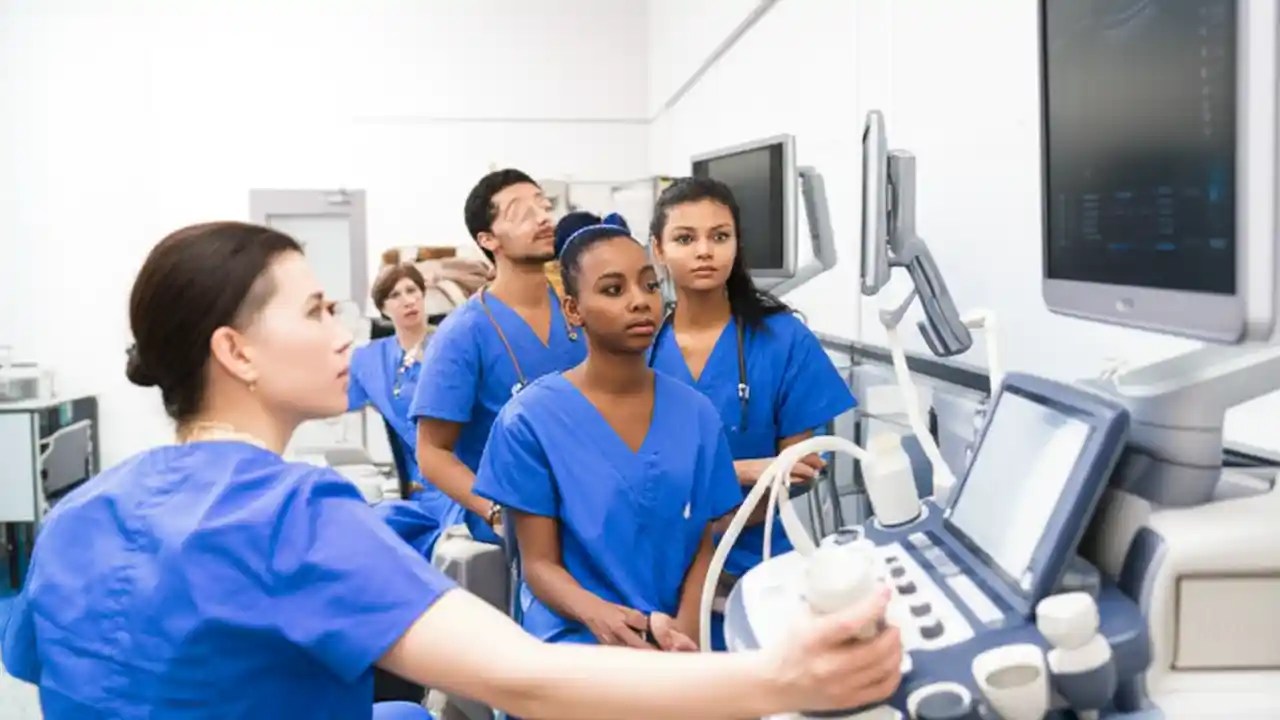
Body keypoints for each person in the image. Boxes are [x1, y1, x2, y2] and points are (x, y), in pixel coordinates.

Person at [2, 220, 903, 719]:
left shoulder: (82, 514)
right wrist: (783, 680)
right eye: (317, 310)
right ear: (235, 351)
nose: (343, 333)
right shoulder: (295, 516)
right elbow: (526, 679)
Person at [474, 212, 741, 651]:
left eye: (649, 286)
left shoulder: (697, 414)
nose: (639, 301)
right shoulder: (530, 421)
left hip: (674, 637)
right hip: (576, 638)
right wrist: (602, 619)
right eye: (614, 290)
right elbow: (540, 566)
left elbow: (701, 544)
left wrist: (686, 634)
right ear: (573, 310)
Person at [647, 177, 858, 649]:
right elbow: (626, 476)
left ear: (737, 244)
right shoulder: (639, 345)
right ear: (658, 250)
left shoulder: (783, 339)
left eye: (720, 236)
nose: (705, 250)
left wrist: (707, 533)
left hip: (761, 565)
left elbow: (797, 468)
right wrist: (741, 470)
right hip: (656, 569)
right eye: (685, 238)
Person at [412, 169, 586, 545]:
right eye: (521, 213)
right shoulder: (464, 333)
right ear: (487, 239)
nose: (543, 218)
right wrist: (494, 509)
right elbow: (431, 452)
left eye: (544, 206)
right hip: (511, 525)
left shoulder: (579, 311)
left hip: (590, 508)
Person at [350, 263, 463, 561]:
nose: (407, 300)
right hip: (416, 490)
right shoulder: (370, 358)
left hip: (459, 477)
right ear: (384, 309)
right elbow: (331, 397)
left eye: (412, 290)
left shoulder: (451, 345)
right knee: (373, 531)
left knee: (456, 549)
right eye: (395, 295)